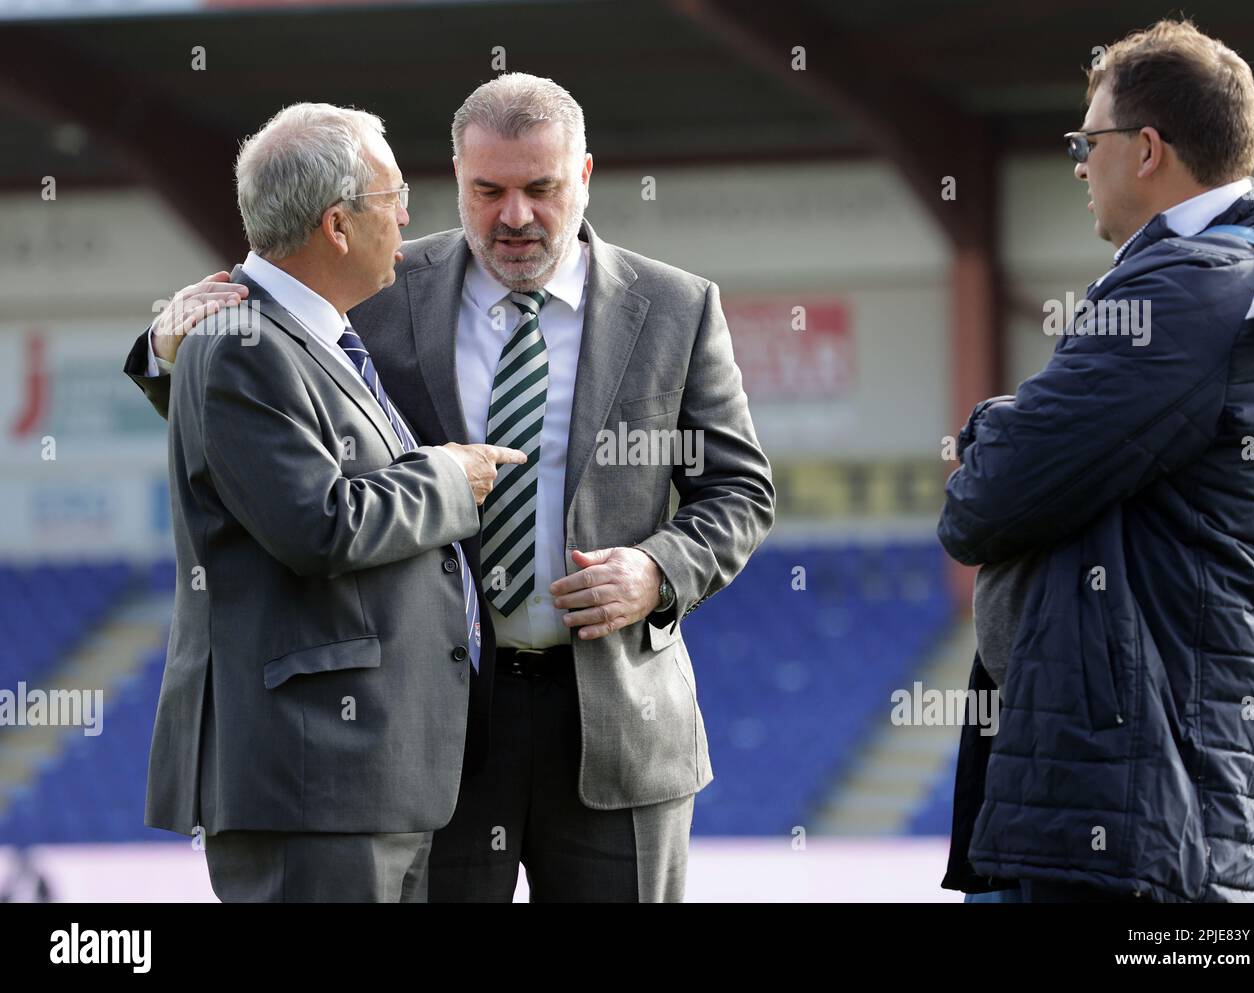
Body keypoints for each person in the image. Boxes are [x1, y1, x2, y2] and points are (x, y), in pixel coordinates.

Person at [128, 74, 775, 902]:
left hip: (619, 726)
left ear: (582, 178)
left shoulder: (677, 308)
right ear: (456, 181)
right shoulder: (376, 282)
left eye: (540, 189)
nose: (513, 216)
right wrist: (163, 348)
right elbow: (264, 412)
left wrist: (658, 572)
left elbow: (741, 492)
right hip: (430, 725)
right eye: (488, 190)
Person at [940, 18, 1254, 902]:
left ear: (1146, 150)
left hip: (1140, 814)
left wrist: (998, 419)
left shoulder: (1189, 287)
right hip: (1154, 804)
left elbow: (981, 501)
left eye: (1085, 141)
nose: (1076, 164)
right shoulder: (1224, 279)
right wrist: (1024, 421)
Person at [127, 102, 524, 902]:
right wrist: (450, 478)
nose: (410, 216)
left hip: (369, 777)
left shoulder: (317, 334)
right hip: (313, 778)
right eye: (395, 196)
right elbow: (319, 523)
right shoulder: (240, 342)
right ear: (337, 225)